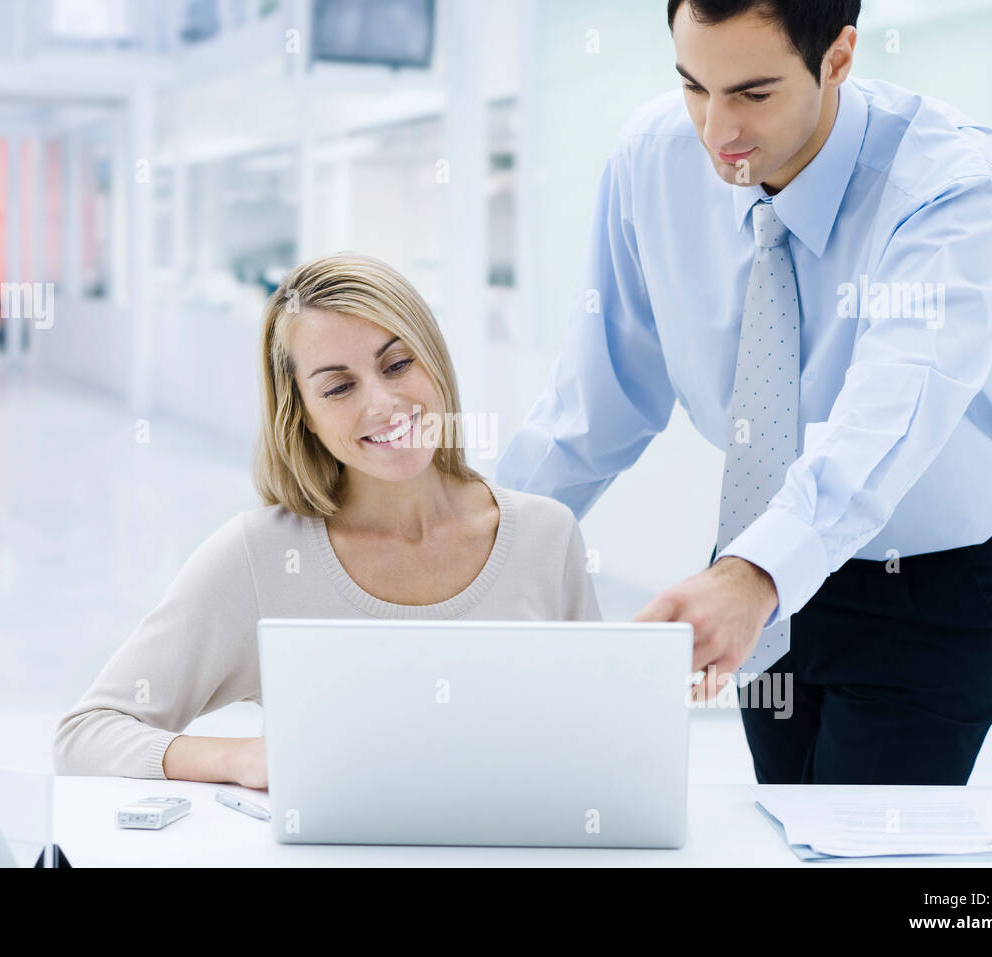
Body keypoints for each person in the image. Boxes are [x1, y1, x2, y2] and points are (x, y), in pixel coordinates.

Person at [496, 0, 992, 785]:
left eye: (754, 94)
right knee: (788, 817)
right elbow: (599, 398)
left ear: (838, 58)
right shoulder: (652, 157)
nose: (718, 132)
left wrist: (756, 573)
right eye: (694, 86)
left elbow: (894, 404)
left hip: (927, 576)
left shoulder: (943, 183)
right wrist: (477, 548)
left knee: (859, 840)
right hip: (759, 550)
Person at [55, 252, 600, 785]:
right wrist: (239, 759)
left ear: (434, 360)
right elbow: (86, 736)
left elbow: (598, 737)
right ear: (305, 417)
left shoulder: (546, 536)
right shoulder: (260, 556)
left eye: (398, 364)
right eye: (339, 387)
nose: (383, 403)